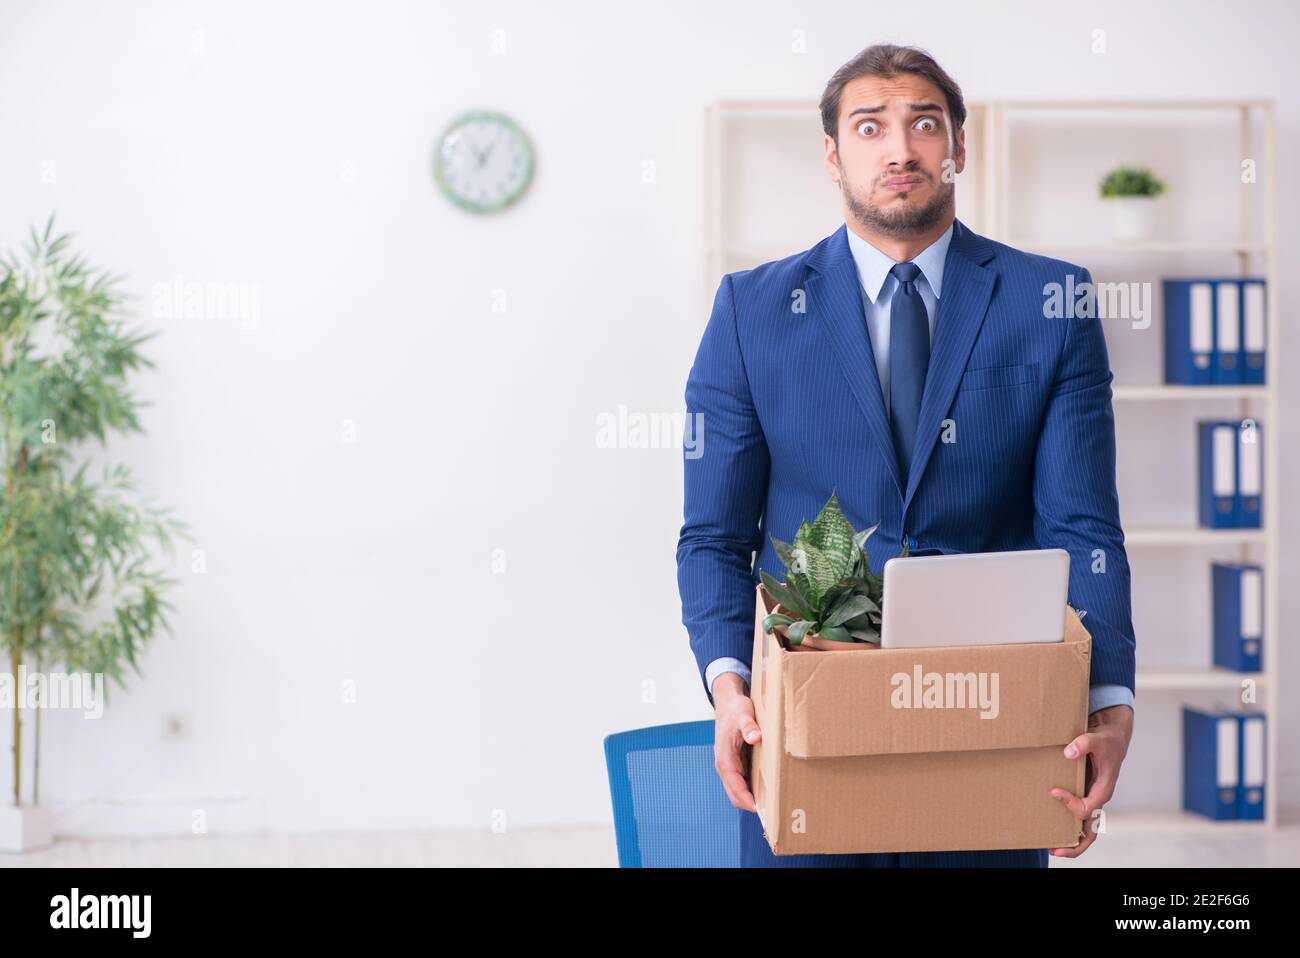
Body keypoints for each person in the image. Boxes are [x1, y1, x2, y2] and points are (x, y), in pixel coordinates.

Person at [676, 43, 1135, 867]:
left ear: (959, 147)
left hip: (992, 723)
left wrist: (1106, 699)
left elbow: (1083, 526)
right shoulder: (751, 312)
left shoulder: (1050, 302)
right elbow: (713, 535)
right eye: (870, 126)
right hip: (811, 723)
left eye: (926, 125)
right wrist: (728, 687)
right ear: (832, 154)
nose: (900, 149)